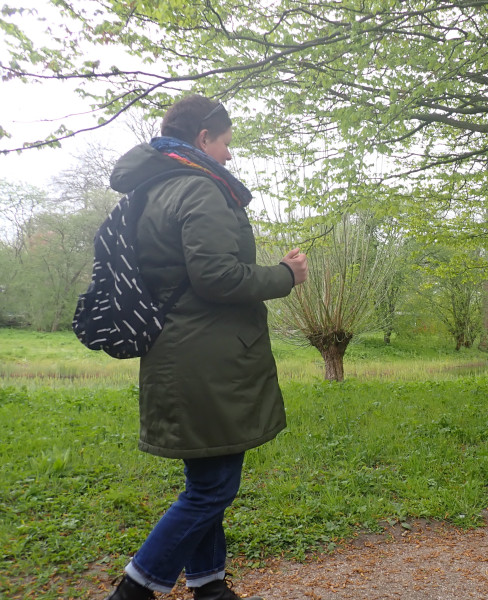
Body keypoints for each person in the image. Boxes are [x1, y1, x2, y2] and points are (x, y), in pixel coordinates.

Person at [103, 94, 308, 600]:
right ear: (203, 139)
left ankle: (209, 584)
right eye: (226, 143)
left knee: (207, 476)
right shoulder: (198, 188)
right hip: (204, 357)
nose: (229, 155)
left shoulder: (158, 187)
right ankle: (135, 588)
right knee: (213, 487)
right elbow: (215, 276)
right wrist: (285, 275)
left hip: (181, 351)